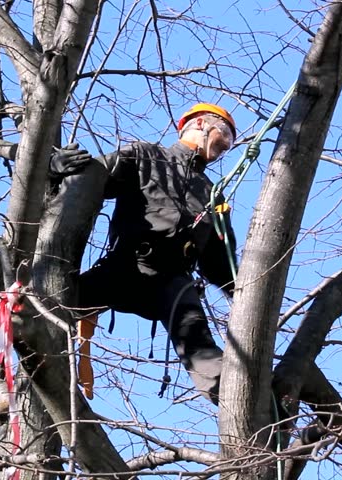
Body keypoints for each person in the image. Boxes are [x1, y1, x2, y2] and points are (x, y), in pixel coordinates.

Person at [49, 103, 239, 403]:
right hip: (125, 267)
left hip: (171, 282)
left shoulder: (212, 193)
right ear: (200, 123)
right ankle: (7, 385)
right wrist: (57, 169)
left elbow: (218, 267)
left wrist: (243, 289)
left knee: (203, 354)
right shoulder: (145, 157)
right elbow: (94, 178)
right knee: (47, 306)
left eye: (230, 142)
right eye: (225, 133)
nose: (226, 145)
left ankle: (255, 413)